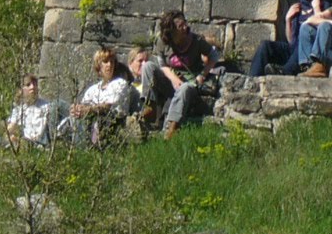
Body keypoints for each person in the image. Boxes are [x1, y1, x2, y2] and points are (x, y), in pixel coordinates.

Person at [148, 9, 225, 137]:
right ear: (171, 31)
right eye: (180, 26)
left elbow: (214, 55)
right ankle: (150, 105)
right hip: (171, 80)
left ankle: (171, 127)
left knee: (185, 87)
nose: (185, 27)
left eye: (185, 23)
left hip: (190, 83)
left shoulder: (197, 41)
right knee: (148, 67)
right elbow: (162, 65)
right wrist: (174, 79)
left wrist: (202, 74)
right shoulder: (162, 42)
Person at [247, 0, 323, 76]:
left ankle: (285, 71)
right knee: (265, 46)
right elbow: (291, 40)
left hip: (309, 51)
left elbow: (324, 27)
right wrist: (288, 19)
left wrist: (316, 8)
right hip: (293, 50)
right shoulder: (296, 8)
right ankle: (252, 80)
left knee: (301, 42)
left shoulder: (324, 5)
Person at [71, 47, 137, 145]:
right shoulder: (93, 89)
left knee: (90, 116)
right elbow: (83, 105)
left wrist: (88, 110)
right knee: (58, 106)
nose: (109, 65)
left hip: (111, 122)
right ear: (98, 66)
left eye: (112, 62)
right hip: (91, 120)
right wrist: (75, 108)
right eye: (105, 62)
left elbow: (108, 106)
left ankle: (81, 149)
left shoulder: (120, 83)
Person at [4, 74, 60, 148]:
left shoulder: (47, 106)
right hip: (23, 142)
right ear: (21, 89)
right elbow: (9, 130)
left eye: (35, 84)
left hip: (40, 143)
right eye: (28, 85)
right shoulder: (18, 109)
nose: (32, 87)